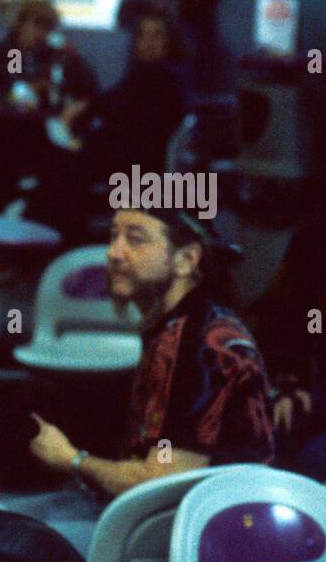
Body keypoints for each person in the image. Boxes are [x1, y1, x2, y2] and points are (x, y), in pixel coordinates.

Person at [29, 207, 273, 503]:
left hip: (201, 529)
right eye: (114, 236)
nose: (113, 253)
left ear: (186, 260)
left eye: (136, 239)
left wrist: (72, 460)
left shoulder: (202, 342)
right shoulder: (178, 323)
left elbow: (164, 483)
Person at [250, 88, 326, 481]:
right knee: (256, 442)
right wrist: (287, 381)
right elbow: (281, 316)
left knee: (317, 465)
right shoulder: (319, 231)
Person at [28, 12, 188, 243]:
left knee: (58, 169)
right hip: (124, 158)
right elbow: (111, 100)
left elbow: (130, 131)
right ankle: (46, 244)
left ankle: (49, 248)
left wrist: (83, 144)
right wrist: (86, 106)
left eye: (157, 35)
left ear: (170, 42)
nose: (148, 42)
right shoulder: (142, 75)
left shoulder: (165, 81)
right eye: (142, 35)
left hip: (136, 168)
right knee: (54, 163)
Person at [0, 0, 99, 212]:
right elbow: (14, 93)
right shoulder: (9, 52)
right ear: (20, 22)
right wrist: (37, 87)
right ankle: (7, 208)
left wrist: (74, 58)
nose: (40, 33)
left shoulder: (50, 55)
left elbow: (86, 88)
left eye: (47, 28)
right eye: (36, 25)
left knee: (70, 159)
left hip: (34, 131)